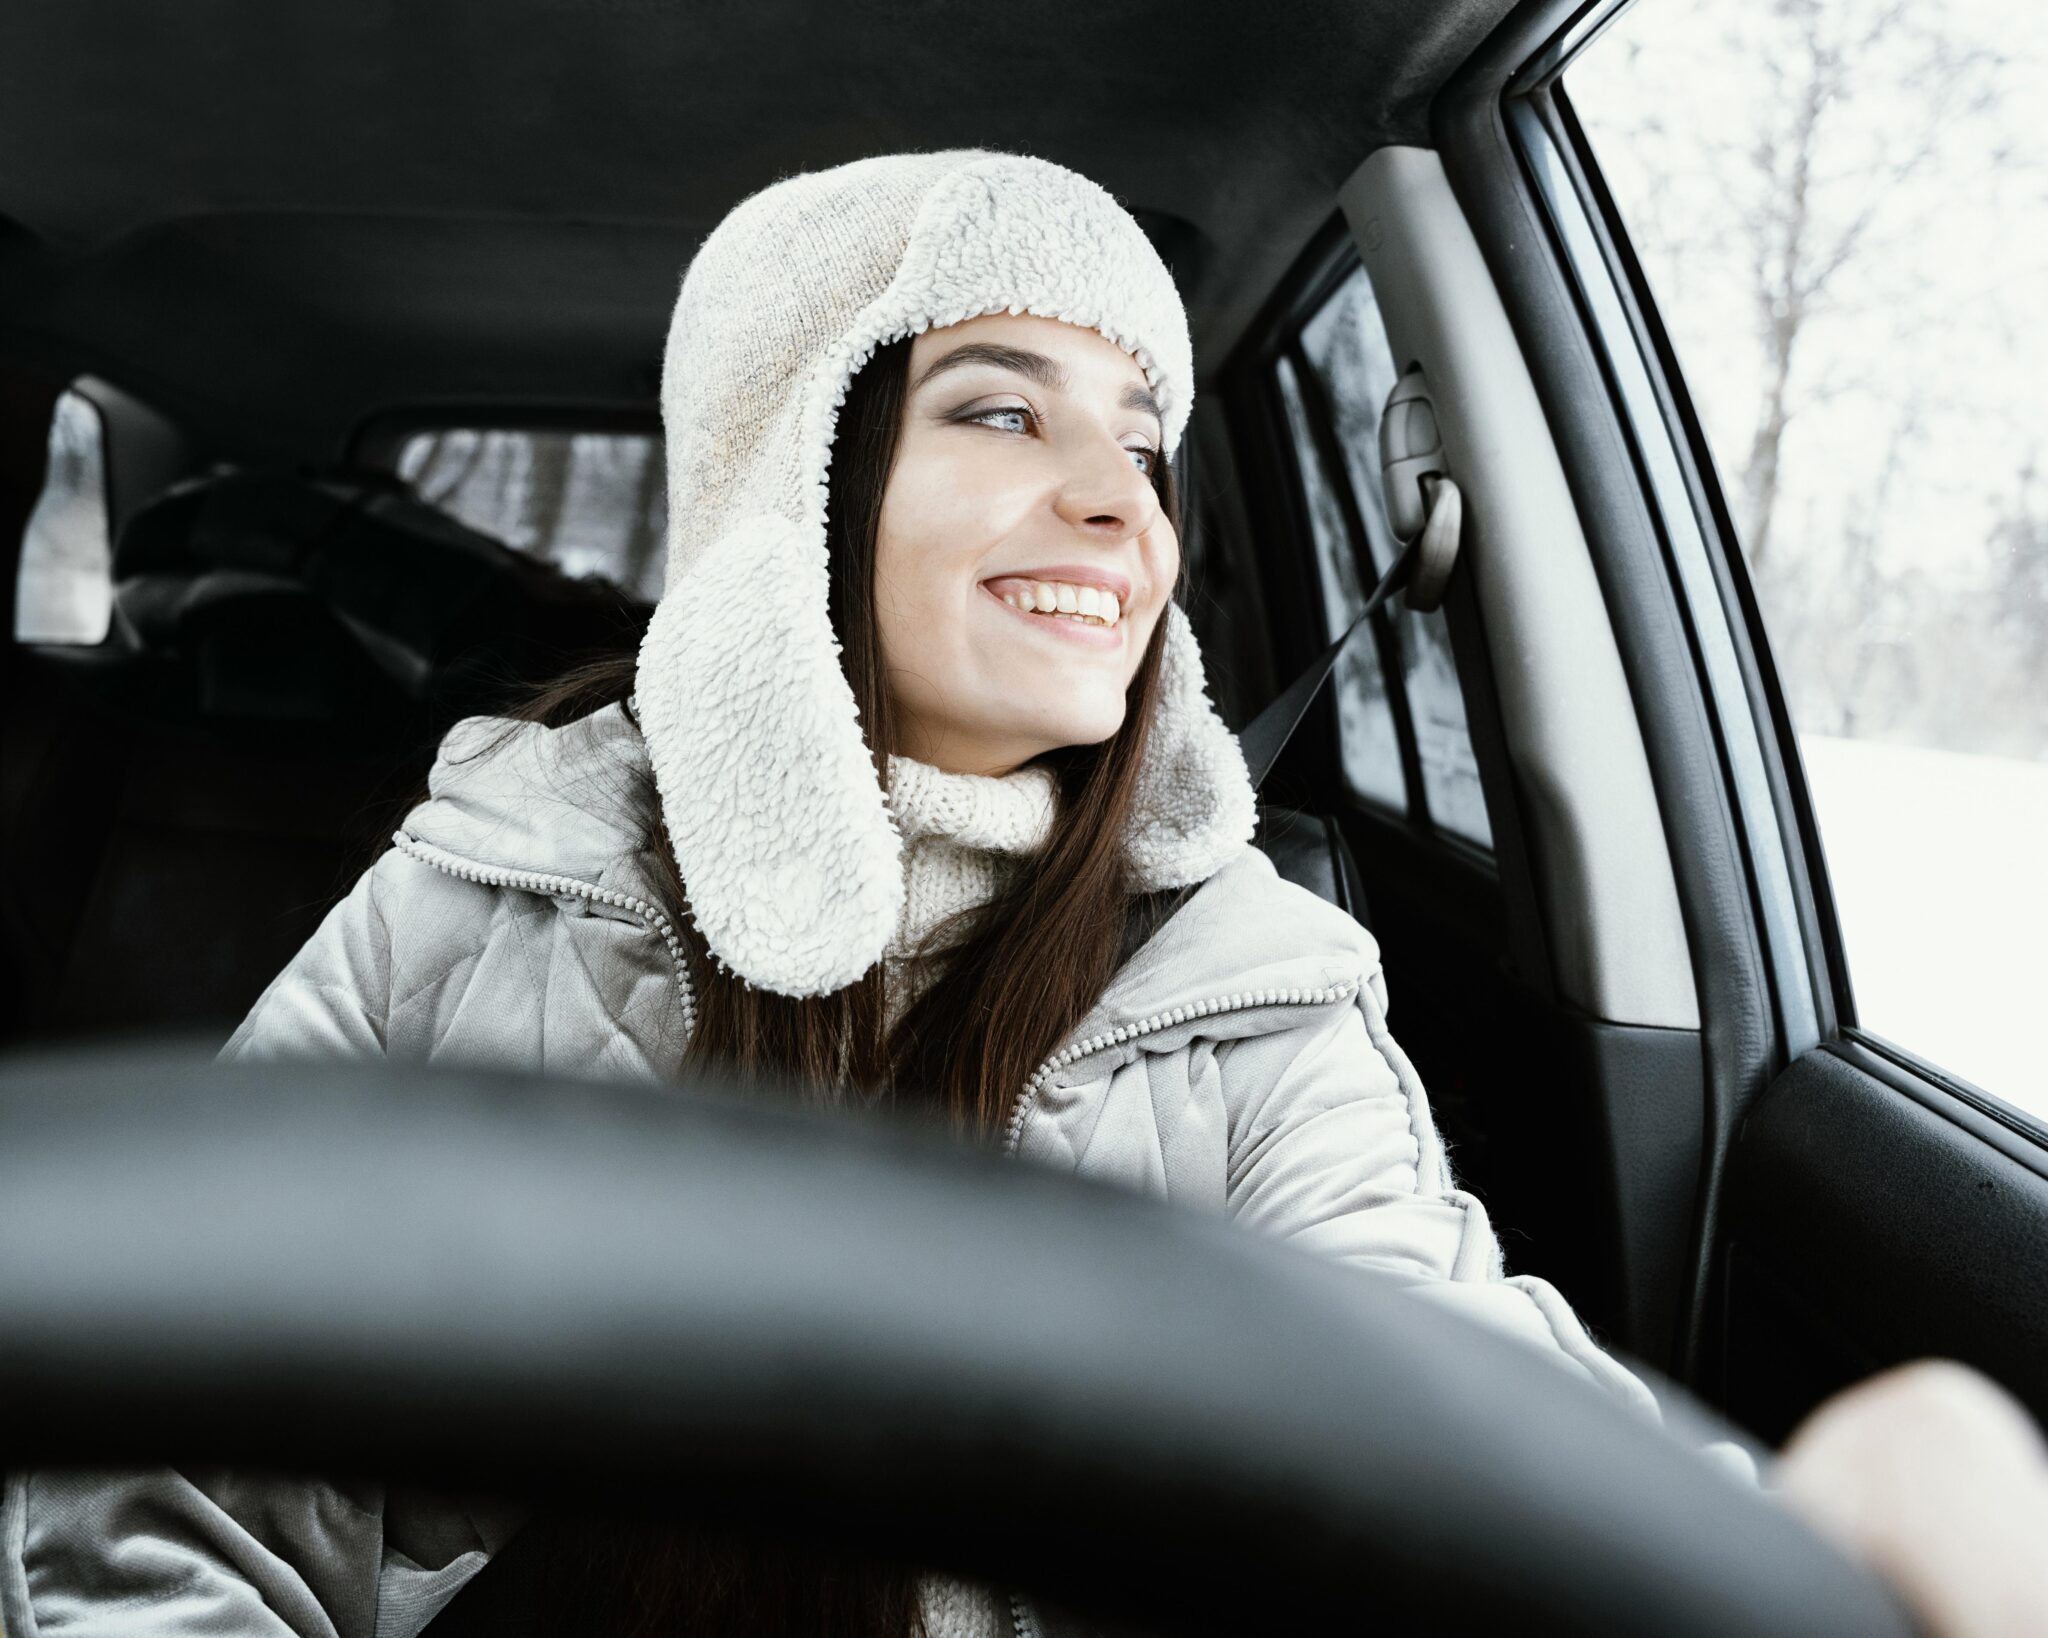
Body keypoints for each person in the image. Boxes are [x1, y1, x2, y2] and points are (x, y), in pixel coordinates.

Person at [3, 148, 2042, 1638]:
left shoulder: (1254, 984)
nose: (1115, 503)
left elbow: (1442, 1374)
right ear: (801, 475)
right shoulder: (496, 882)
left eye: (1143, 446)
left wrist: (1793, 1533)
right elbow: (171, 1487)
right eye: (997, 408)